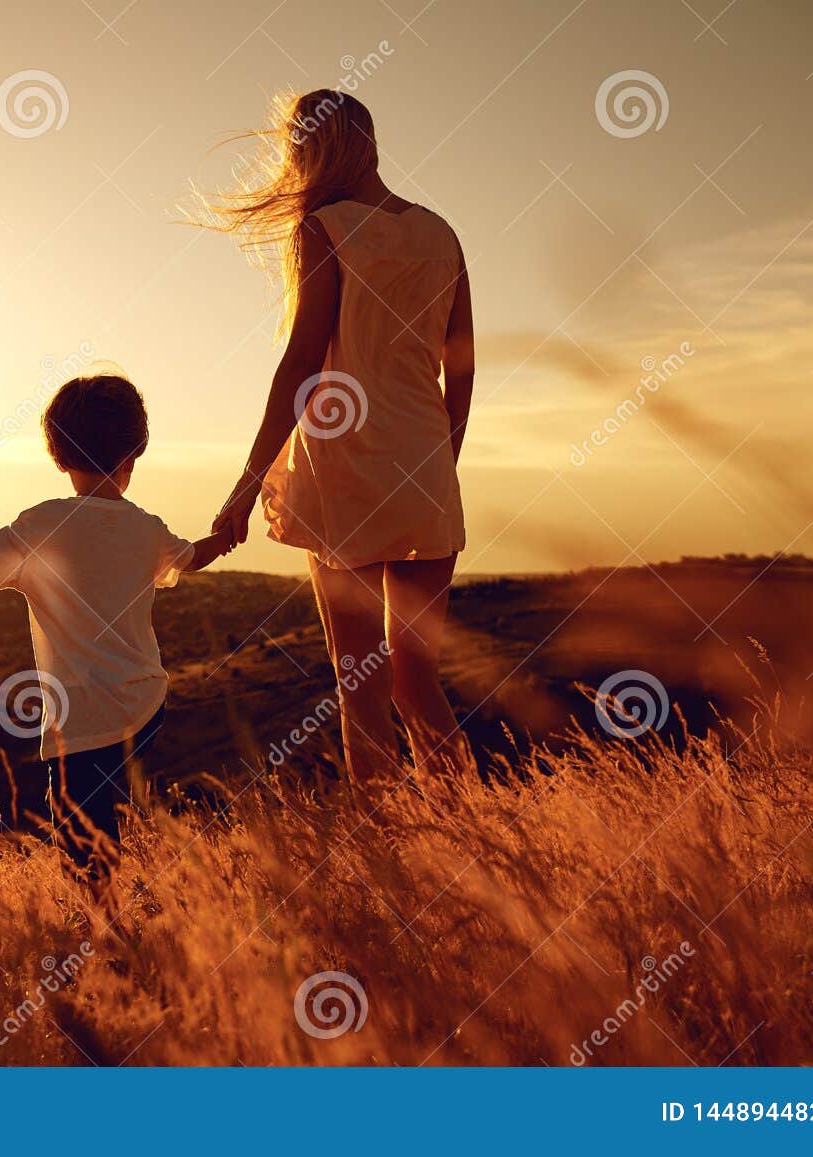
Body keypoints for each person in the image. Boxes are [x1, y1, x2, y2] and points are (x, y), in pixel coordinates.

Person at [204, 89, 475, 784]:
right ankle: (480, 839)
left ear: (310, 151)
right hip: (427, 469)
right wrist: (443, 459)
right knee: (420, 686)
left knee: (362, 692)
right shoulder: (442, 233)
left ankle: (383, 862)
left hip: (348, 472)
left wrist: (246, 481)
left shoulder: (324, 227)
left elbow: (300, 364)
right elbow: (462, 365)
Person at [0, 374, 233, 870]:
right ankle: (132, 895)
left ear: (58, 455)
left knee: (78, 831)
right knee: (106, 807)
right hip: (144, 702)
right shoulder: (144, 526)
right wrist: (227, 532)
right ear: (134, 453)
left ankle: (107, 925)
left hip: (82, 717)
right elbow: (193, 556)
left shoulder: (41, 525)